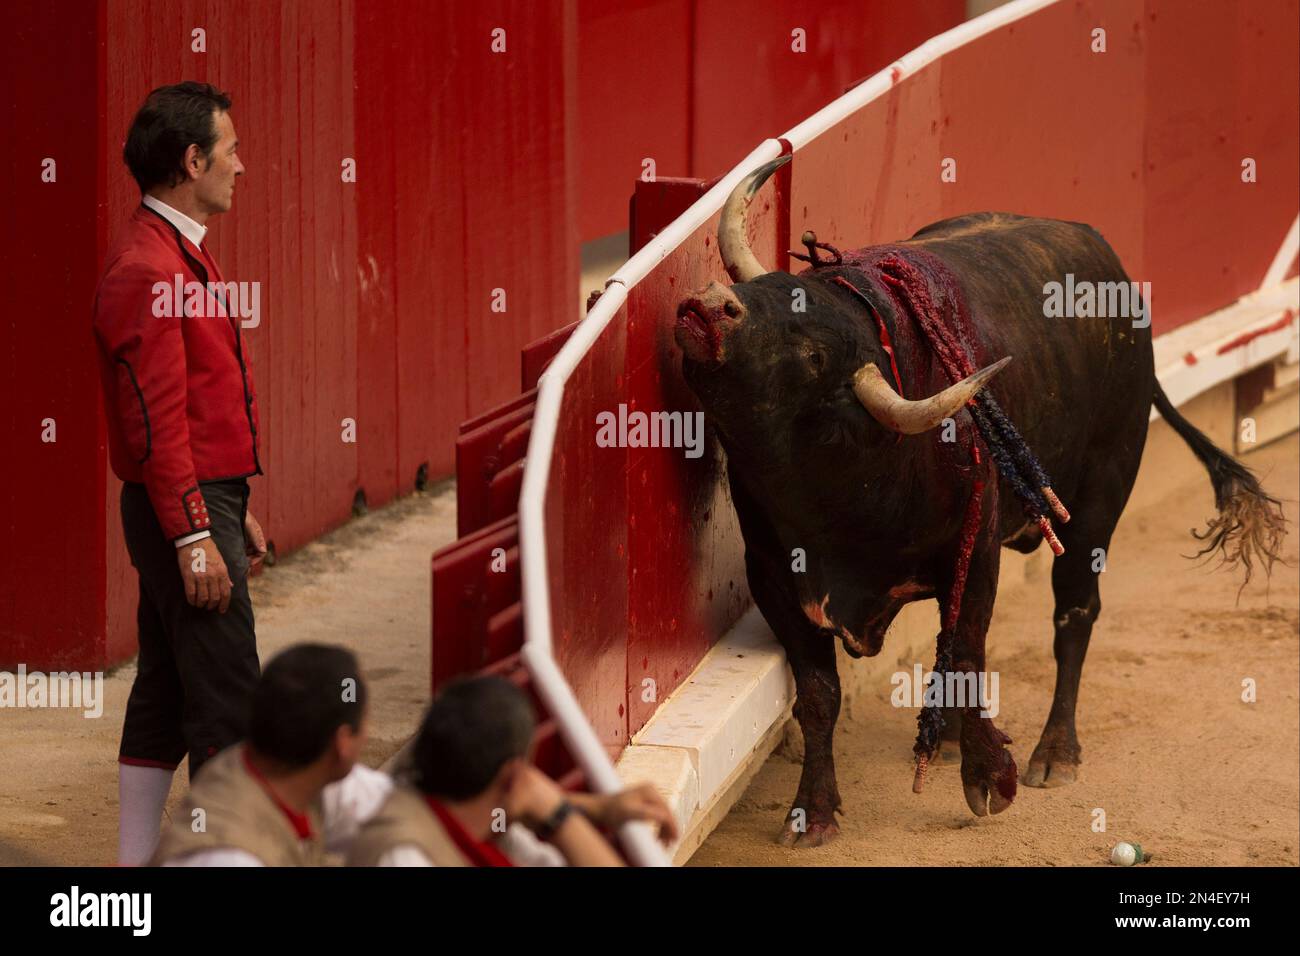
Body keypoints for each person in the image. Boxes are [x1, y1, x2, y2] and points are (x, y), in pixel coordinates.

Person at [93, 80, 264, 867]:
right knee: (227, 696)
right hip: (181, 514)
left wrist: (231, 504)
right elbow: (154, 423)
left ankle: (134, 872)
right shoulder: (150, 269)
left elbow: (189, 414)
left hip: (196, 503)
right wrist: (198, 531)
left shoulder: (168, 250)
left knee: (166, 688)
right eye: (230, 151)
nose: (241, 165)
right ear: (191, 160)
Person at [346, 676, 679, 866]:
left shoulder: (405, 791)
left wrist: (595, 808)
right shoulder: (402, 856)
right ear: (515, 776)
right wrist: (560, 816)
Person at [152, 644, 368, 866]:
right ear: (343, 743)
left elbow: (383, 799)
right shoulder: (231, 859)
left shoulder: (278, 767)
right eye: (365, 724)